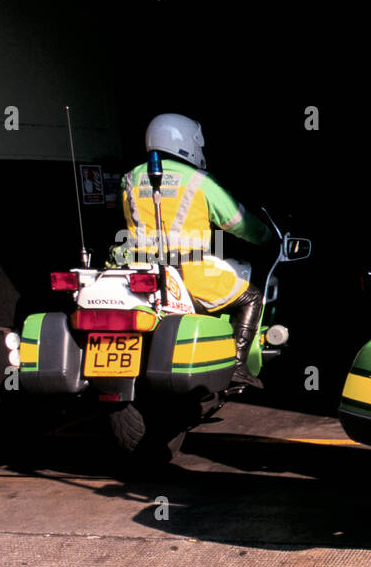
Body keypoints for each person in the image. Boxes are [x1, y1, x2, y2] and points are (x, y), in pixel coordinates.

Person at [113, 113, 275, 387]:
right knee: (252, 298)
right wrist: (267, 237)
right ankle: (237, 365)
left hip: (137, 272)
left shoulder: (129, 178)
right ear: (187, 143)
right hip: (191, 275)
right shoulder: (200, 181)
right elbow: (239, 222)